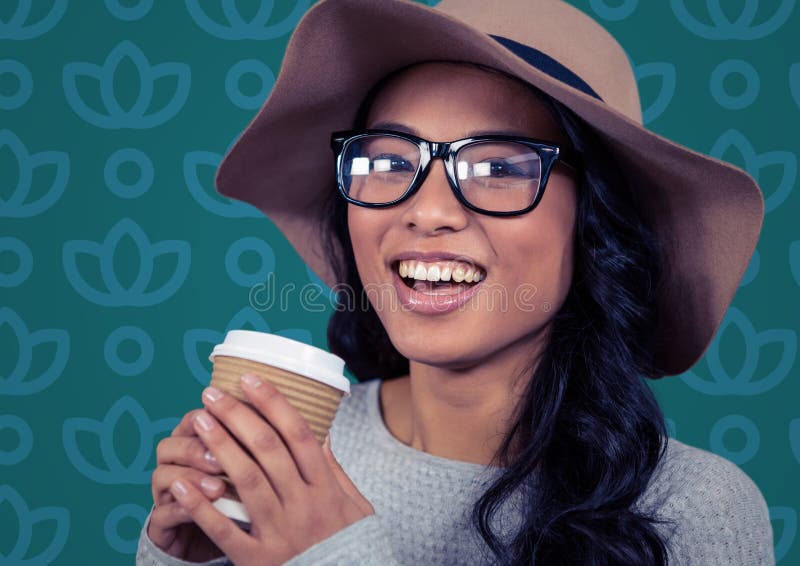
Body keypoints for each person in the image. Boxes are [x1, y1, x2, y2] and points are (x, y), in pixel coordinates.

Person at [137, 0, 775, 564]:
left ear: (592, 222)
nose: (428, 210)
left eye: (498, 166)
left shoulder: (691, 511)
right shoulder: (284, 459)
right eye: (388, 160)